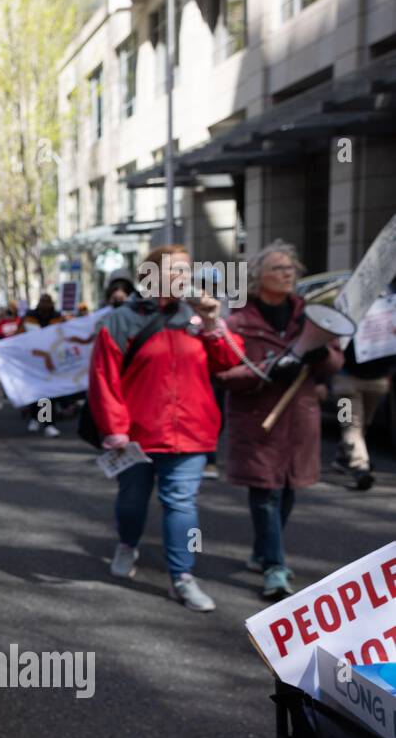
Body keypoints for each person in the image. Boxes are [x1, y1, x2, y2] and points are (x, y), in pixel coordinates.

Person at [87, 244, 245, 612]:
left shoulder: (196, 317)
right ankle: (127, 543)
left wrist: (211, 322)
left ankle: (183, 577)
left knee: (182, 504)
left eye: (187, 270)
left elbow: (229, 363)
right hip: (137, 437)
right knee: (131, 502)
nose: (184, 277)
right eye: (175, 270)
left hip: (191, 433)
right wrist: (116, 432)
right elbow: (104, 380)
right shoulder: (120, 321)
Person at [217, 240, 342, 600]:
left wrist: (320, 354)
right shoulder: (238, 321)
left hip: (298, 423)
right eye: (278, 269)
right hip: (259, 423)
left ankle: (262, 551)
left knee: (286, 491)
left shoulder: (310, 315)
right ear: (258, 278)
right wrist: (269, 371)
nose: (288, 274)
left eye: (291, 268)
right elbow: (224, 373)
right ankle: (275, 566)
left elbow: (333, 363)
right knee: (265, 493)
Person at [331, 281, 396, 491]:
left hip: (375, 382)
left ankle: (343, 457)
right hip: (345, 383)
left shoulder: (385, 313)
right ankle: (360, 467)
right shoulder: (346, 313)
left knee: (360, 425)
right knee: (350, 424)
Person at [21, 294, 65, 437]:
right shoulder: (29, 317)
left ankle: (47, 423)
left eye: (48, 302)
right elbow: (20, 335)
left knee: (48, 392)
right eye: (43, 301)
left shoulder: (58, 317)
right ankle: (35, 418)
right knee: (35, 392)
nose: (45, 304)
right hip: (35, 360)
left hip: (51, 360)